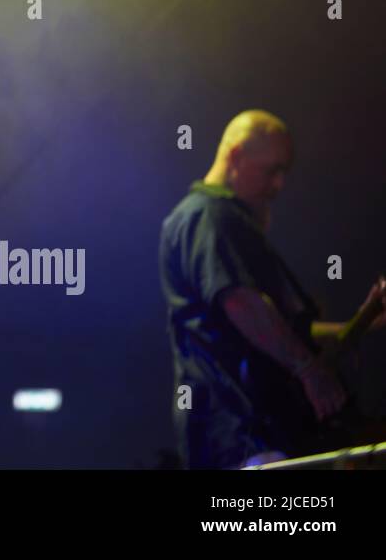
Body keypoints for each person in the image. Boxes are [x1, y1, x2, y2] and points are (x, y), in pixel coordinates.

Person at [159, 109, 385, 468]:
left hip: (262, 434)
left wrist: (363, 322)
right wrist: (309, 371)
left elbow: (283, 329)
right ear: (235, 157)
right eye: (271, 170)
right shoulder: (205, 216)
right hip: (240, 432)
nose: (278, 185)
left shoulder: (225, 220)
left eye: (284, 173)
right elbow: (241, 304)